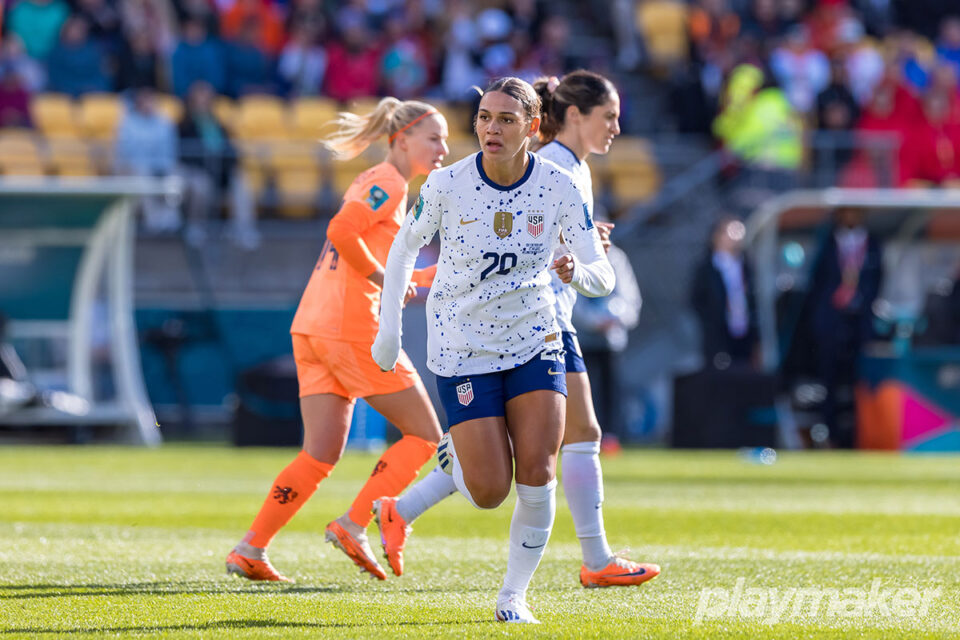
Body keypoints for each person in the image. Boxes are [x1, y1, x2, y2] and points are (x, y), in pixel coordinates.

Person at [372, 71, 658, 598]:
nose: (491, 129)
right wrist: (388, 333)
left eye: (505, 119)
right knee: (488, 489)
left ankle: (515, 597)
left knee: (541, 467)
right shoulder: (447, 184)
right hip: (463, 347)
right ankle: (451, 462)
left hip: (538, 336)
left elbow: (602, 273)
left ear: (532, 125)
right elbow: (404, 248)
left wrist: (579, 272)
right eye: (484, 118)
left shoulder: (560, 183)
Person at [225, 97, 449, 582]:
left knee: (320, 453)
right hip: (351, 329)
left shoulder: (378, 182)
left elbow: (365, 249)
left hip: (314, 325)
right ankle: (354, 523)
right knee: (425, 435)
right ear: (402, 138)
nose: (443, 148)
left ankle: (251, 547)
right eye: (435, 138)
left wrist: (416, 277)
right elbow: (342, 231)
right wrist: (378, 279)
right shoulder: (389, 181)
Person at [691, 216, 758, 370]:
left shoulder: (747, 266)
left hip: (744, 333)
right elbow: (696, 300)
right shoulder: (706, 268)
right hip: (718, 336)